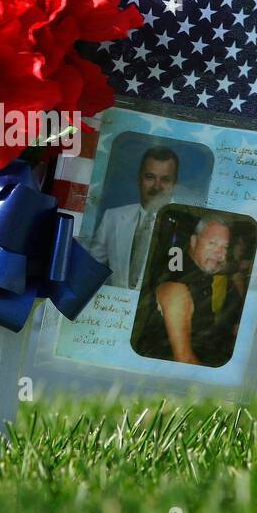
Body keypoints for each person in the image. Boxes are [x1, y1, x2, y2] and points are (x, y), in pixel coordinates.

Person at [134, 217, 235, 367]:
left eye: (224, 247)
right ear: (193, 241)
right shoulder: (178, 289)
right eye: (212, 243)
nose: (219, 253)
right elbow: (185, 361)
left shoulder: (199, 269)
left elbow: (225, 266)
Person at [86, 146, 179, 289]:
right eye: (150, 177)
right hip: (113, 307)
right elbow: (90, 271)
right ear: (139, 178)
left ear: (174, 184)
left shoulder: (187, 226)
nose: (156, 186)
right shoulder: (112, 217)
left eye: (165, 180)